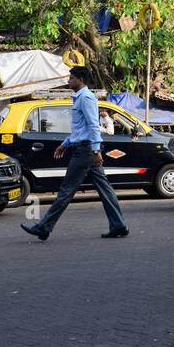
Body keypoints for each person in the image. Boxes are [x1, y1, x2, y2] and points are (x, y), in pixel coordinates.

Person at [22, 66, 129, 241]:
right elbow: (80, 129)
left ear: (80, 80)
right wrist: (64, 144)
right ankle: (118, 225)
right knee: (104, 188)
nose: (68, 81)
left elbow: (93, 125)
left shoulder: (86, 98)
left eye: (71, 78)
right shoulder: (79, 98)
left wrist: (95, 150)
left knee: (66, 190)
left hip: (85, 151)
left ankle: (44, 227)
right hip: (85, 148)